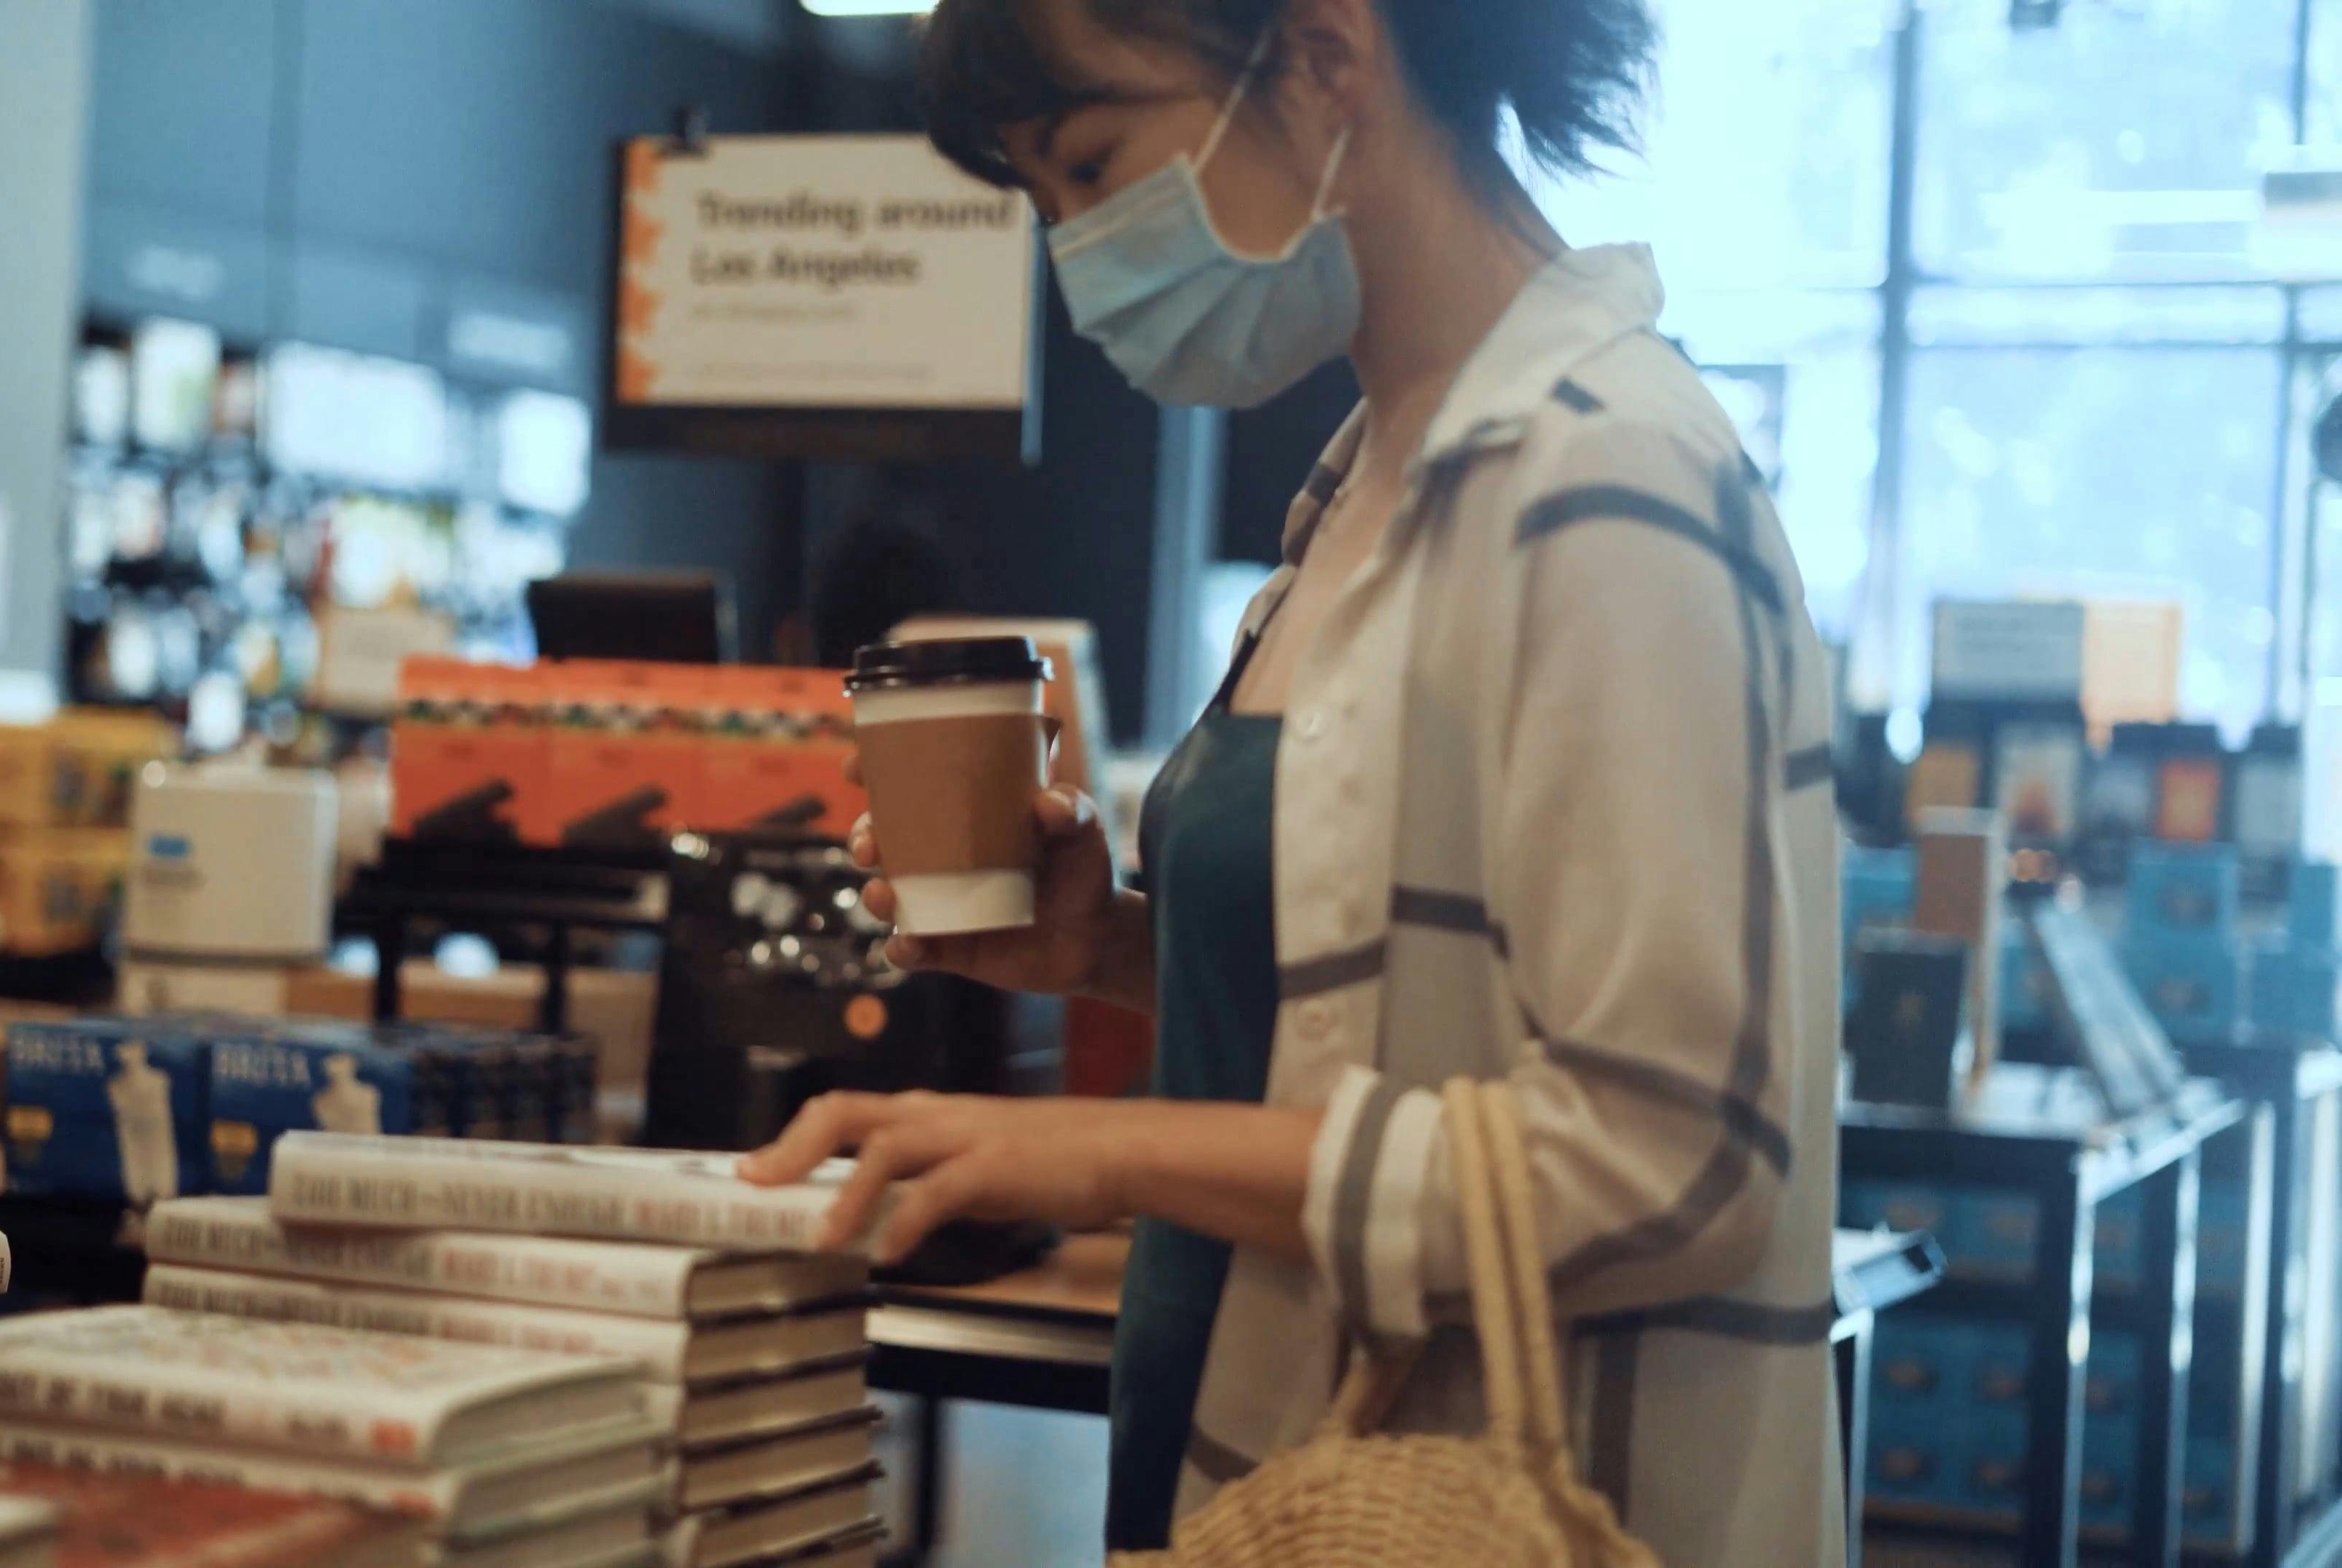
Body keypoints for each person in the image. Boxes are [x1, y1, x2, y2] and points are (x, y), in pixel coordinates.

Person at [740, 0, 1843, 1561]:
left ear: (1326, 53)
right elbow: (1391, 992)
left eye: (1095, 163)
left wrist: (1102, 1149)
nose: (1078, 254)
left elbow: (1676, 1157)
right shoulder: (1372, 482)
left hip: (1485, 1499)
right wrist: (1114, 953)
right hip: (1255, 1457)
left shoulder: (1607, 478)